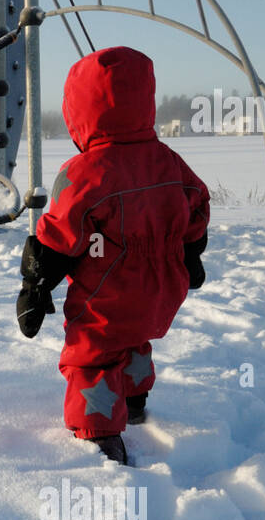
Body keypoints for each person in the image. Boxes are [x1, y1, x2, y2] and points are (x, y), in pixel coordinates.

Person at [17, 46, 209, 466]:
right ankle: (135, 399)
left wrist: (35, 285)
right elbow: (197, 203)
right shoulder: (170, 161)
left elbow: (60, 235)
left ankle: (100, 433)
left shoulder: (83, 171)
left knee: (92, 350)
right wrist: (190, 255)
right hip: (162, 289)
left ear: (79, 111)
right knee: (134, 338)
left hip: (109, 289)